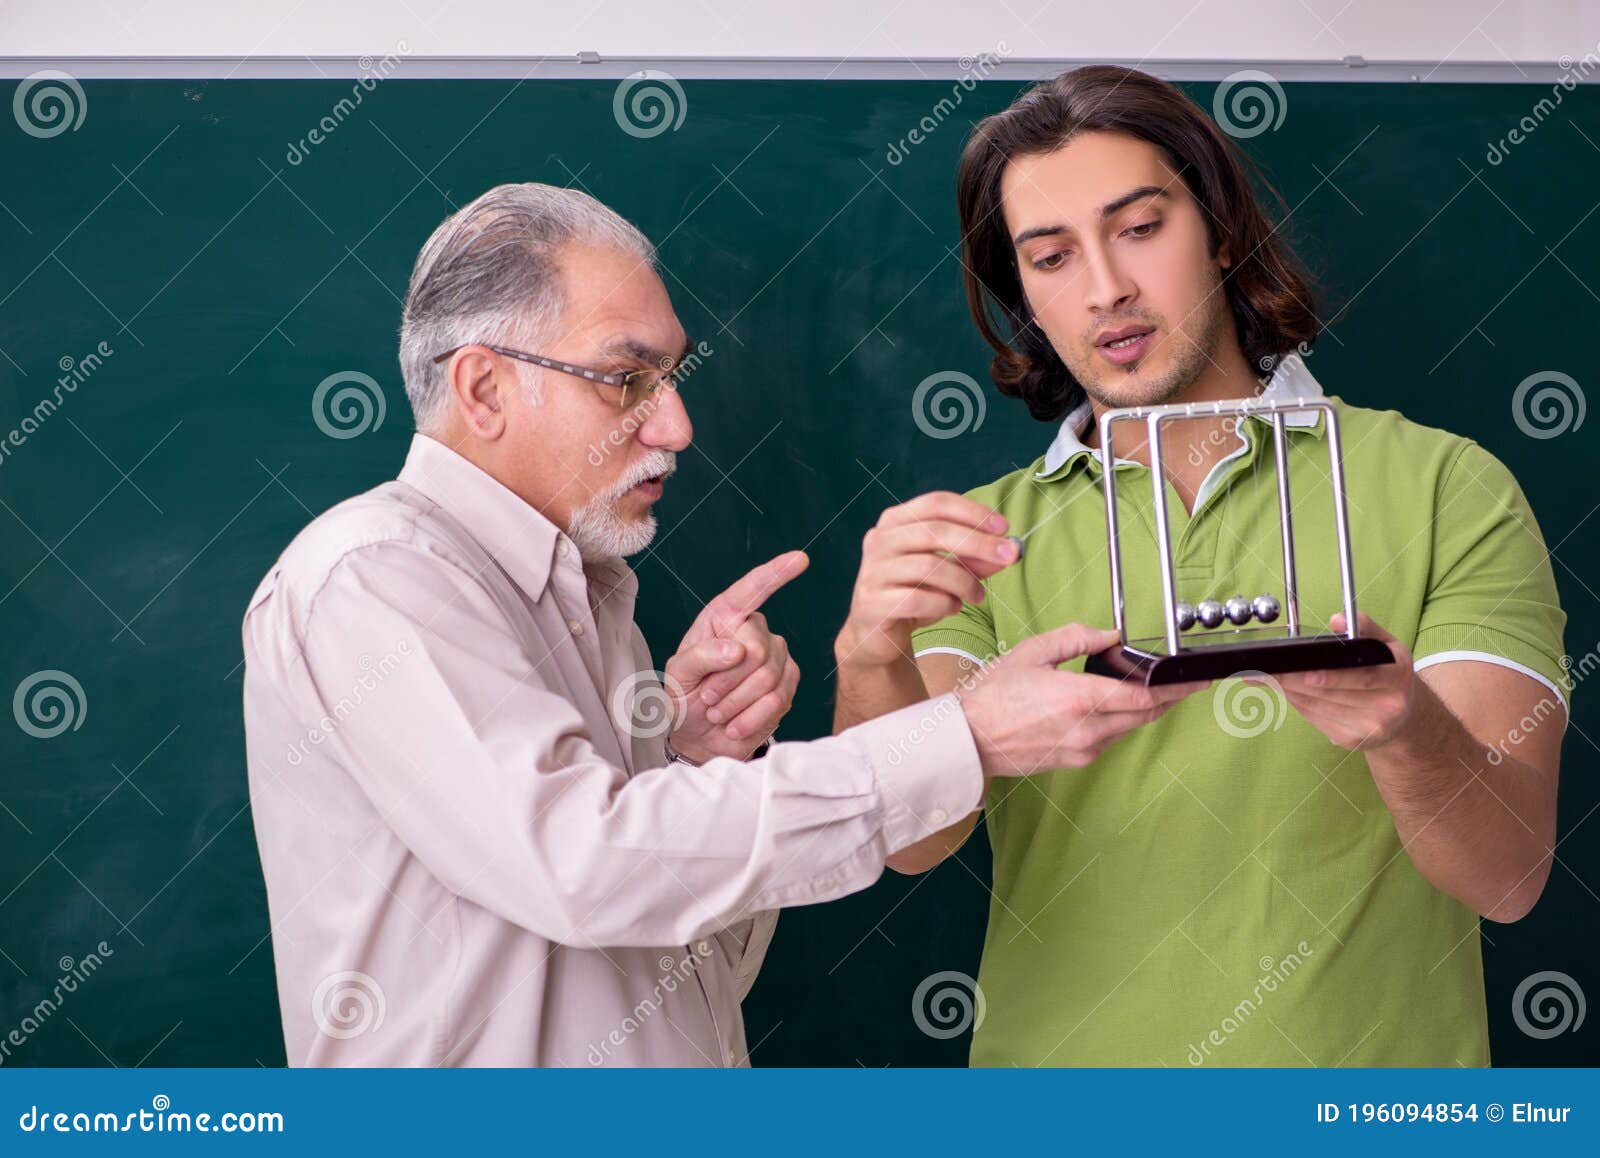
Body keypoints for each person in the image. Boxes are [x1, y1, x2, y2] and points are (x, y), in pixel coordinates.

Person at [240, 182, 1194, 1066]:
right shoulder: (377, 574)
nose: (677, 425)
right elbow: (581, 865)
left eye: (672, 376)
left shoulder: (591, 593)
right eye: (627, 379)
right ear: (485, 389)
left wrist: (696, 760)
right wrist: (963, 735)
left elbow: (667, 968)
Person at [833, 65, 1568, 1066]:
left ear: (1219, 229)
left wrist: (1406, 732)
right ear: (1024, 298)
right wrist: (869, 653)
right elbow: (909, 840)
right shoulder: (983, 538)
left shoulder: (1446, 487)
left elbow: (1509, 875)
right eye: (1050, 258)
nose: (1105, 289)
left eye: (1140, 228)